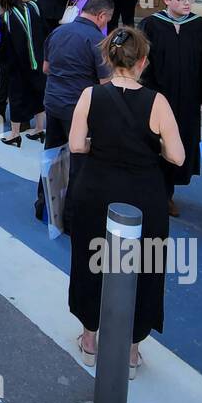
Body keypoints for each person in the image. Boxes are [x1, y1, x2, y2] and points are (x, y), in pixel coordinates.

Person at [67, 27, 184, 375]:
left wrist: (99, 145)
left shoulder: (90, 95)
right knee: (144, 266)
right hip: (142, 194)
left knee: (90, 260)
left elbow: (76, 145)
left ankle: (90, 338)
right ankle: (131, 350)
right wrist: (154, 146)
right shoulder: (157, 101)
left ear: (108, 58)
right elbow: (177, 156)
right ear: (143, 62)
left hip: (95, 189)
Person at [140, 0, 202, 216]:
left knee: (179, 144)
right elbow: (142, 62)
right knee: (154, 143)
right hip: (157, 98)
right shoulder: (151, 24)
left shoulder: (201, 26)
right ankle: (153, 191)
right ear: (167, 0)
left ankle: (168, 195)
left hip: (187, 98)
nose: (187, 4)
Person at [34, 0, 114, 222]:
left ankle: (43, 204)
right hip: (79, 108)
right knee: (78, 162)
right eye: (106, 19)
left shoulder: (58, 32)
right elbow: (105, 82)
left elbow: (46, 68)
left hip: (53, 102)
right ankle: (70, 217)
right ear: (101, 16)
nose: (105, 23)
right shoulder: (98, 40)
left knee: (51, 155)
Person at [0, 0, 47, 146]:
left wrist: (2, 62)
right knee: (39, 95)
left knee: (16, 97)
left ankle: (15, 134)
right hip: (37, 60)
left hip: (17, 64)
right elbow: (44, 29)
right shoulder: (33, 8)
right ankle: (40, 129)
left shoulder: (6, 17)